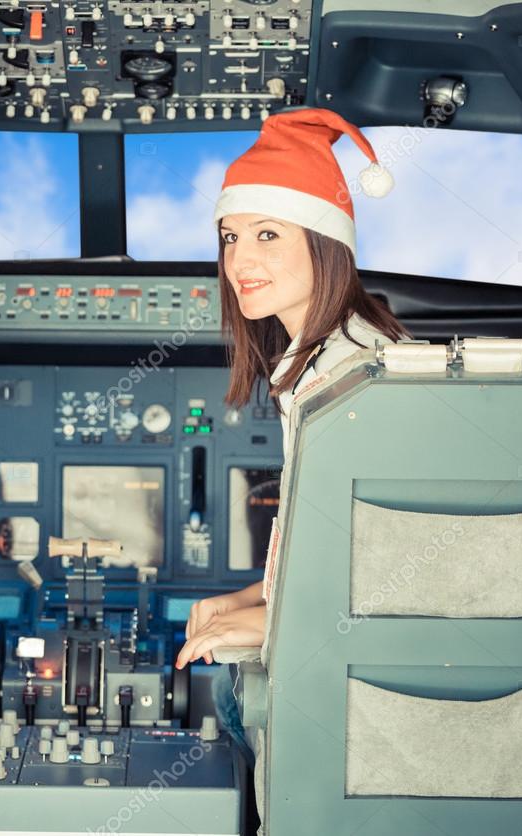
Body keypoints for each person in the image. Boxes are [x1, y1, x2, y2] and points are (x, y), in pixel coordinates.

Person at [176, 108, 409, 668]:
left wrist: (270, 621)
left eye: (268, 235)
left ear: (326, 243)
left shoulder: (358, 371)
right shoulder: (319, 356)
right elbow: (333, 547)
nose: (239, 261)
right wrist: (248, 600)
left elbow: (394, 565)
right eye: (230, 237)